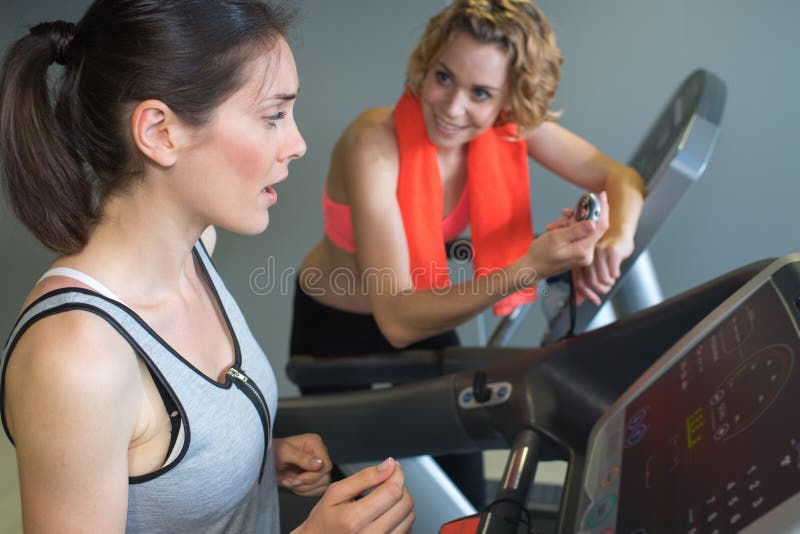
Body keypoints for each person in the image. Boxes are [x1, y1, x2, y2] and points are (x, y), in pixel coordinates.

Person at [0, 1, 414, 533]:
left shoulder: (196, 250)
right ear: (160, 133)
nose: (298, 144)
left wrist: (250, 462)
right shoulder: (77, 359)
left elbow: (151, 461)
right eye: (273, 116)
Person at [290, 0, 645, 508]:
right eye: (443, 77)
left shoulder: (508, 125)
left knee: (466, 490)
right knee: (366, 504)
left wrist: (616, 238)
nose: (454, 107)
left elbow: (622, 178)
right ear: (427, 60)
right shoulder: (373, 141)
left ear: (509, 99)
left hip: (429, 306)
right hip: (340, 330)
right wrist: (531, 267)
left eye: (480, 92)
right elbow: (396, 320)